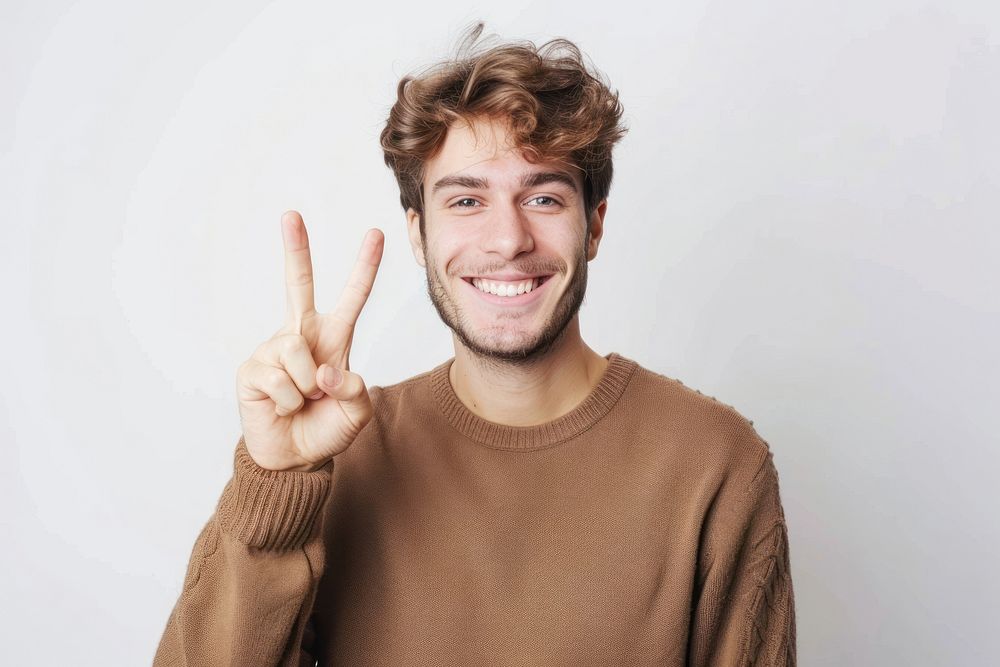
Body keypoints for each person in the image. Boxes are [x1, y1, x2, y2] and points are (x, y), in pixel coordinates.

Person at [154, 24, 796, 666]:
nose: (506, 239)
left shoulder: (716, 464)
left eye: (542, 196)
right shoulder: (340, 461)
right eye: (466, 200)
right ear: (419, 233)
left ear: (594, 224)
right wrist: (276, 485)